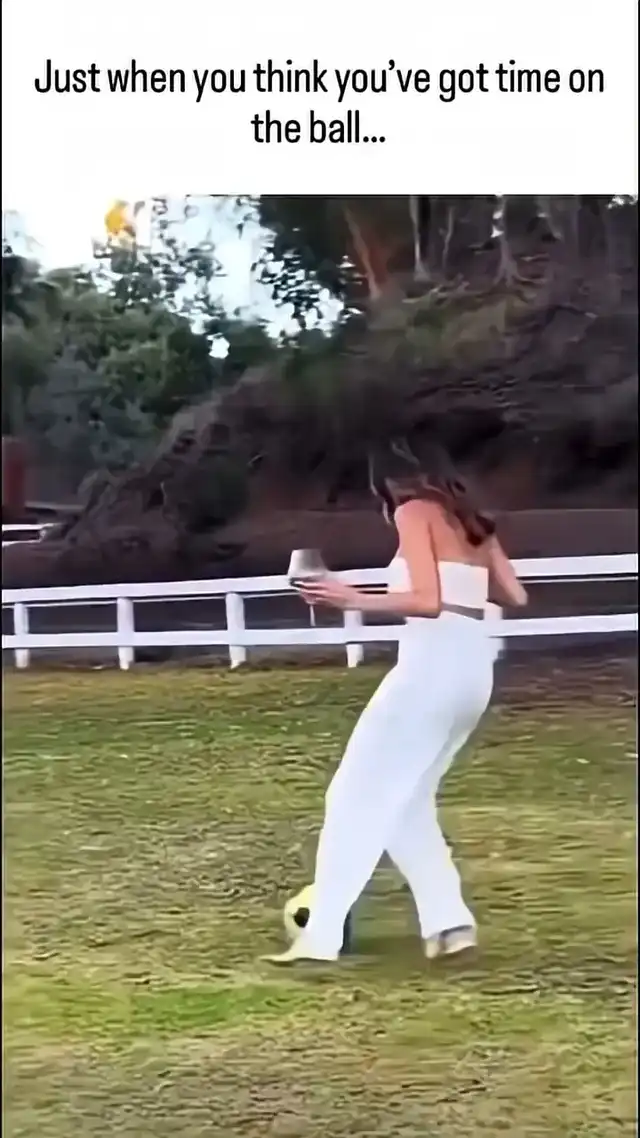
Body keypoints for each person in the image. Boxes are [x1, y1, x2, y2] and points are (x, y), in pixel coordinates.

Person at [265, 438, 528, 966]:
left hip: (430, 669)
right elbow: (514, 595)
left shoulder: (415, 511)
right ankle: (449, 924)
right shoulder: (474, 522)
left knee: (351, 797)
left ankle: (321, 935)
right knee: (407, 800)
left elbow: (427, 601)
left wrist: (352, 599)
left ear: (389, 479)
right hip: (473, 671)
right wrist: (462, 578)